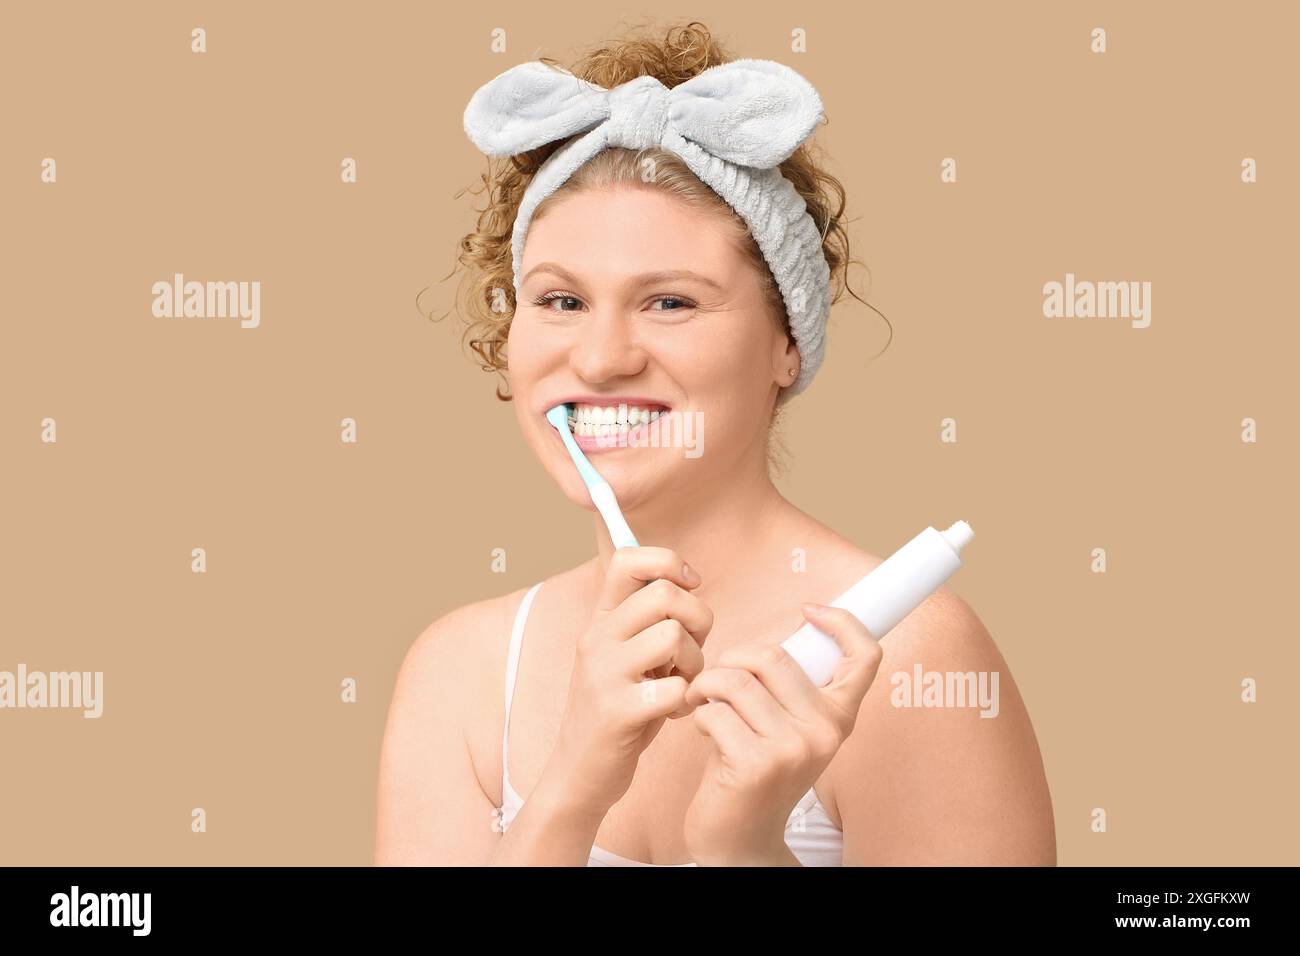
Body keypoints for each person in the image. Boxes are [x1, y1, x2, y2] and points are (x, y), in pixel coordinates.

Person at [375, 21, 1055, 866]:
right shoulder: (459, 672)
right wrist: (573, 787)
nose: (600, 358)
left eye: (670, 303)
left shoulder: (905, 652)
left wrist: (741, 847)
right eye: (559, 301)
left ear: (787, 344)